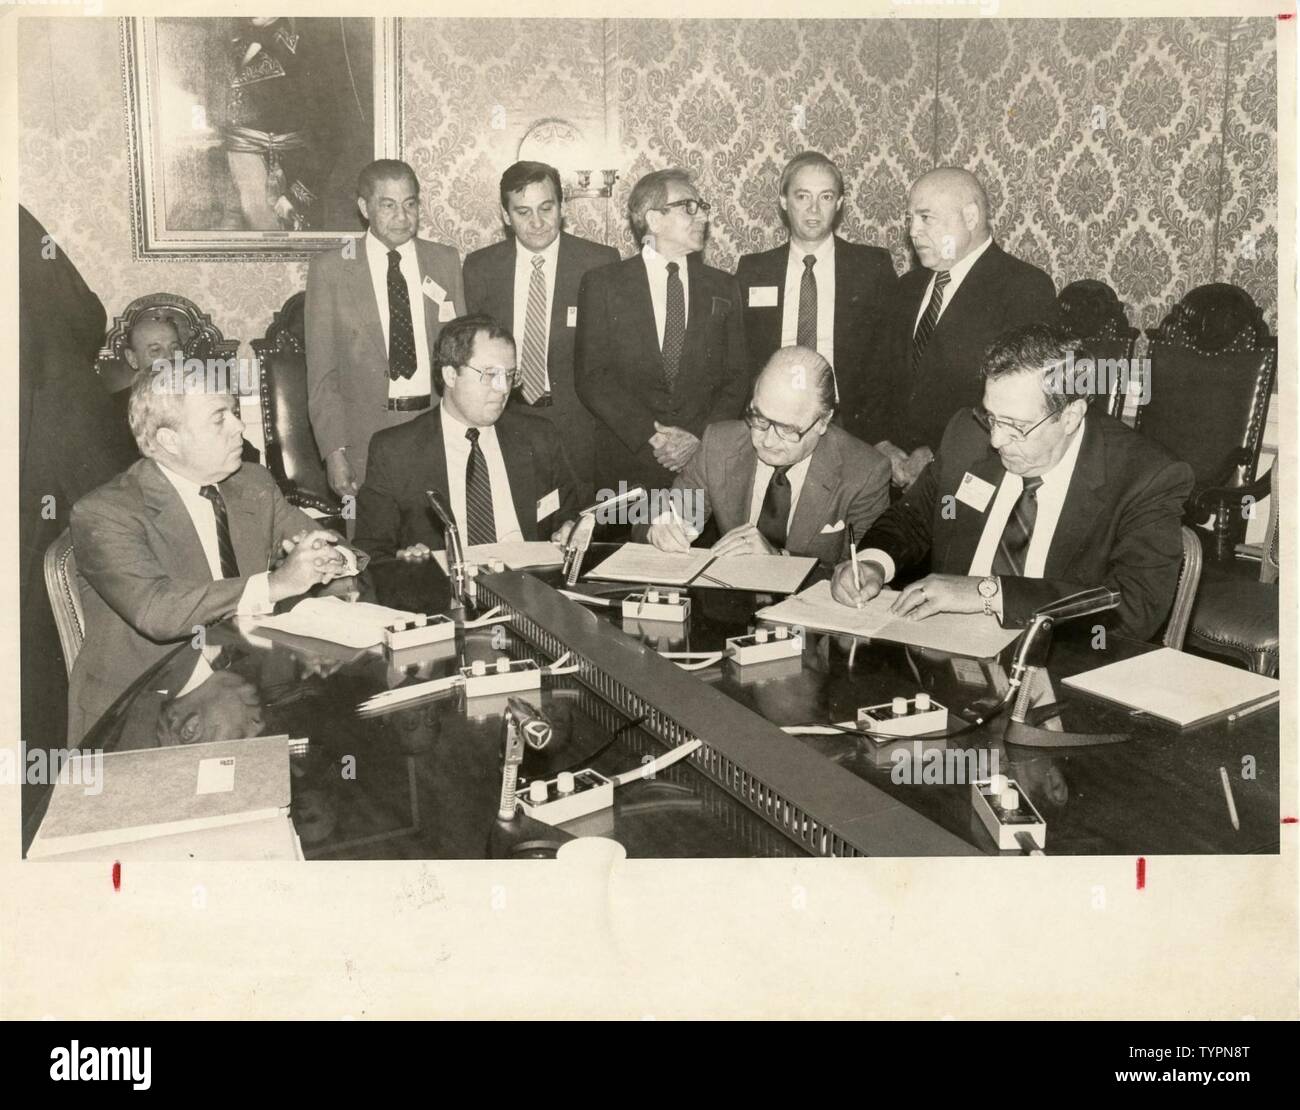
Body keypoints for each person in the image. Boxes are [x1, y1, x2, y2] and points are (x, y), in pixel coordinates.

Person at [830, 324, 1194, 642]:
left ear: (1070, 416)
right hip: (949, 650)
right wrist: (874, 562)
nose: (996, 440)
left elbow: (1134, 606)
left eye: (1016, 426)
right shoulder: (966, 434)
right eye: (991, 417)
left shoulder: (1145, 476)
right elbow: (914, 518)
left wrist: (989, 593)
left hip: (1060, 662)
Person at [66, 369, 367, 743]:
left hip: (244, 681)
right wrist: (276, 584)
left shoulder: (252, 483)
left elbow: (322, 539)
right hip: (146, 714)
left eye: (235, 412)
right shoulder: (106, 512)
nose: (239, 427)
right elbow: (156, 611)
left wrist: (329, 558)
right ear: (169, 440)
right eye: (219, 418)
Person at [575, 168, 748, 496]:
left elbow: (737, 378)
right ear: (654, 219)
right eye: (689, 207)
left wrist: (696, 438)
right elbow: (592, 377)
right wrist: (652, 436)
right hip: (629, 462)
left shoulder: (724, 287)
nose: (703, 216)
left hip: (702, 465)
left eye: (703, 206)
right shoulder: (603, 285)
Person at [880, 167, 1056, 488]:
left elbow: (1018, 398)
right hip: (890, 470)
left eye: (925, 218)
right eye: (910, 219)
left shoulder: (1024, 288)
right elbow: (876, 378)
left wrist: (938, 453)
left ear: (971, 217)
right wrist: (881, 445)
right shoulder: (906, 287)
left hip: (969, 472)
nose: (913, 231)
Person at [354, 314, 582, 560]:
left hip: (529, 586)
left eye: (509, 375)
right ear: (451, 375)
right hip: (443, 589)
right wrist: (403, 560)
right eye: (489, 374)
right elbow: (370, 552)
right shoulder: (395, 450)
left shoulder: (539, 437)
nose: (503, 388)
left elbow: (571, 516)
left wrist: (570, 530)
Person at [305, 158, 466, 498]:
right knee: (373, 544)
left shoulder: (445, 261)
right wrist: (334, 452)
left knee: (441, 543)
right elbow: (323, 376)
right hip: (367, 439)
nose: (402, 217)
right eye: (388, 205)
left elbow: (460, 354)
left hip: (436, 427)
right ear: (364, 207)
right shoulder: (331, 270)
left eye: (410, 204)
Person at [644, 347, 890, 566]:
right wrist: (662, 526)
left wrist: (778, 561)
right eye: (760, 419)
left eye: (787, 429)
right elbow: (669, 509)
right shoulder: (720, 444)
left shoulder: (865, 472)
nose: (768, 441)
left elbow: (856, 578)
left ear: (823, 422)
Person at [463, 161, 619, 502]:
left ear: (562, 208)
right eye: (523, 211)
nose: (536, 222)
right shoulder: (480, 267)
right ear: (506, 216)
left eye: (546, 208)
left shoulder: (600, 262)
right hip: (507, 421)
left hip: (580, 428)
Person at [734, 151, 898, 444]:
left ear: (839, 203)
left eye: (825, 197)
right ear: (784, 201)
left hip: (846, 421)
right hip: (772, 420)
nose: (813, 209)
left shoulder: (872, 267)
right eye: (802, 196)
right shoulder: (753, 270)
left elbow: (888, 359)